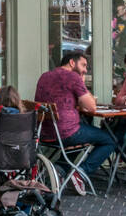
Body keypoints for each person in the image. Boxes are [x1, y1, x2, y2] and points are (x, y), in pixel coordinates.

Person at [35, 50, 115, 189]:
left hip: (44, 133)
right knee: (110, 140)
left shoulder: (44, 76)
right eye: (83, 65)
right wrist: (82, 84)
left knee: (81, 133)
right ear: (72, 62)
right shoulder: (73, 77)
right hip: (65, 133)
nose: (84, 70)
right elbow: (91, 107)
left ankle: (59, 170)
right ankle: (81, 172)